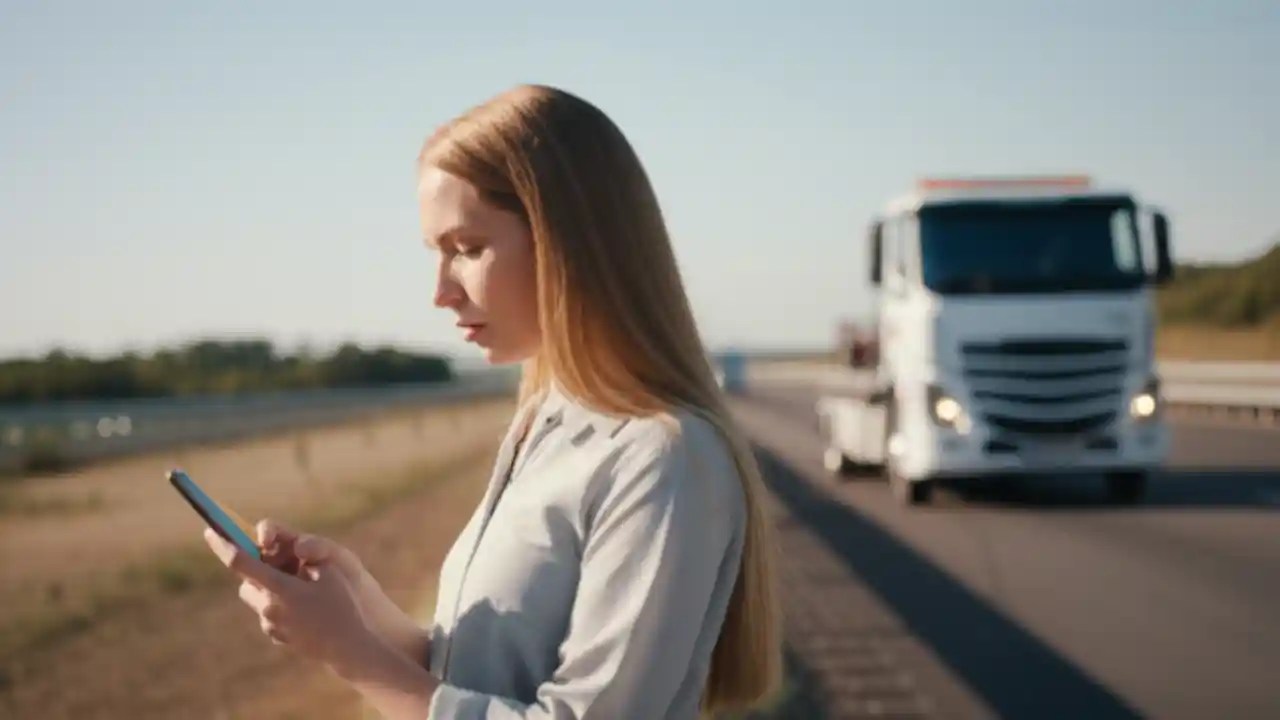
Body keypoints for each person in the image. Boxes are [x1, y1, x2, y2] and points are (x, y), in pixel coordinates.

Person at [201, 83, 782, 719]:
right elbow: (480, 680)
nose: (441, 291)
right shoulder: (546, 422)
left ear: (569, 241)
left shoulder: (665, 459)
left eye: (467, 249)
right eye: (438, 254)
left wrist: (349, 654)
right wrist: (356, 605)